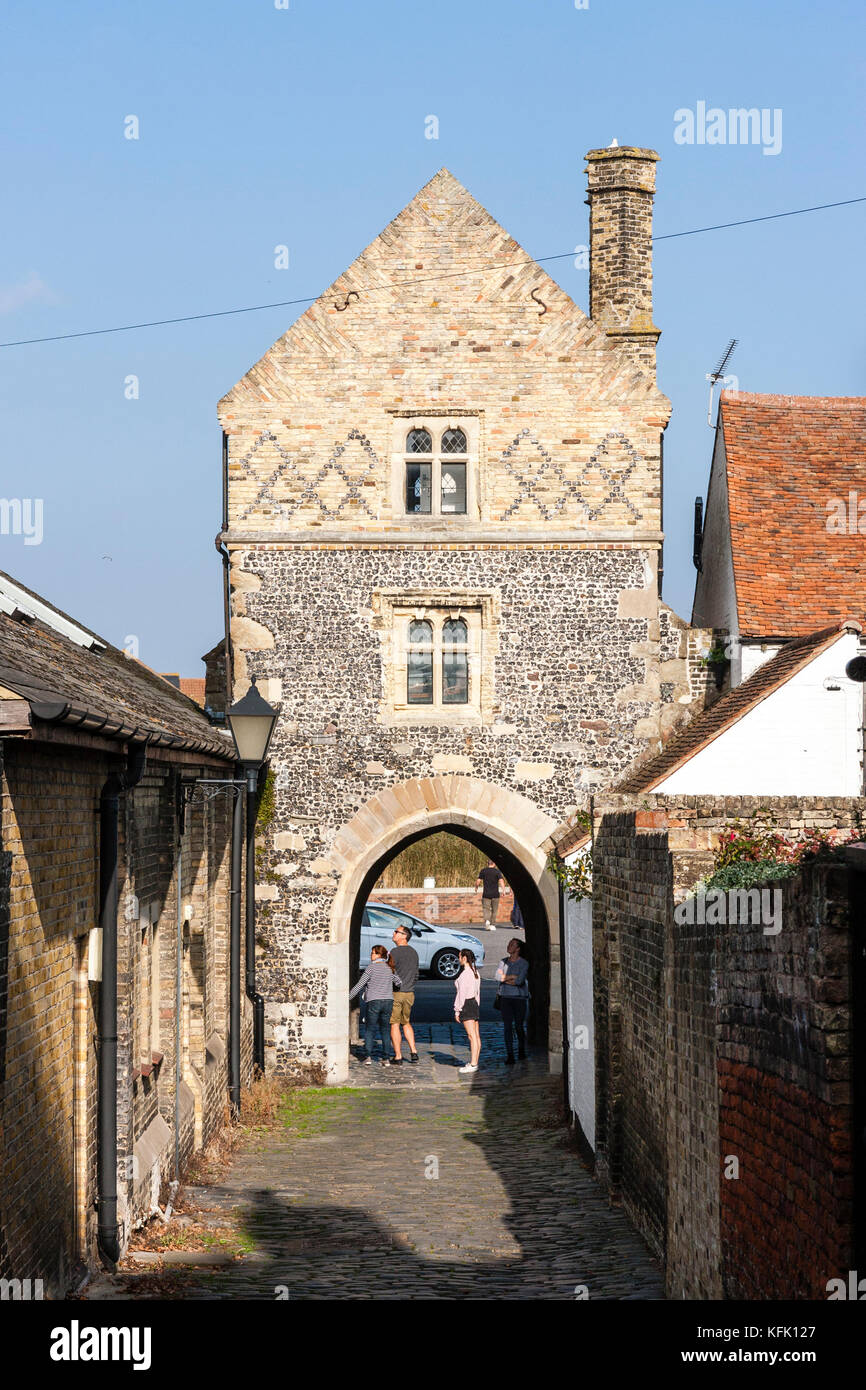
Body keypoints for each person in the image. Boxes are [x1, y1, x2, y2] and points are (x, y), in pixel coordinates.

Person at [349, 945, 401, 1065]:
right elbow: (399, 982)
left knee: (370, 1029)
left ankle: (368, 1057)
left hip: (374, 1001)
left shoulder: (371, 968)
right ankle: (386, 1058)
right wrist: (393, 988)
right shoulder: (389, 968)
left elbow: (359, 985)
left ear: (379, 955)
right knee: (385, 1029)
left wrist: (348, 997)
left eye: (373, 953)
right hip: (388, 1001)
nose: (371, 955)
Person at [388, 924, 420, 1065]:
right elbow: (416, 974)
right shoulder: (414, 952)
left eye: (396, 932)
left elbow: (389, 973)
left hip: (396, 993)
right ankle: (413, 1052)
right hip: (409, 993)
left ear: (404, 936)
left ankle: (398, 1056)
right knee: (406, 1022)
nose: (394, 933)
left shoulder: (394, 952)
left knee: (394, 1024)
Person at [495, 938, 529, 1064]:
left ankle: (521, 1050)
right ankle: (510, 1054)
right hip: (505, 998)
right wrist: (512, 977)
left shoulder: (523, 963)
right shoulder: (503, 962)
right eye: (509, 943)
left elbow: (519, 981)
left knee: (519, 1026)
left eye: (512, 944)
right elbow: (498, 977)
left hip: (519, 998)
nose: (509, 946)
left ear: (518, 949)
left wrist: (506, 978)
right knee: (507, 1027)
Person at [454, 948, 482, 1074]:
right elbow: (477, 993)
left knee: (471, 1036)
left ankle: (473, 1063)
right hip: (474, 1004)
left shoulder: (465, 974)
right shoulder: (475, 971)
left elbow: (461, 994)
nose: (459, 959)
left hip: (467, 1004)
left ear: (464, 958)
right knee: (476, 1035)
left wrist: (457, 1010)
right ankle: (474, 1061)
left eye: (459, 957)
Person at [474, 859, 510, 930]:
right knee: (494, 910)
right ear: (494, 864)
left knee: (486, 909)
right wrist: (503, 890)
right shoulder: (497, 871)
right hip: (495, 894)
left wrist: (476, 888)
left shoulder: (483, 871)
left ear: (488, 863)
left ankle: (487, 921)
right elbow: (501, 881)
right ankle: (492, 925)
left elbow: (478, 881)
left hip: (486, 894)